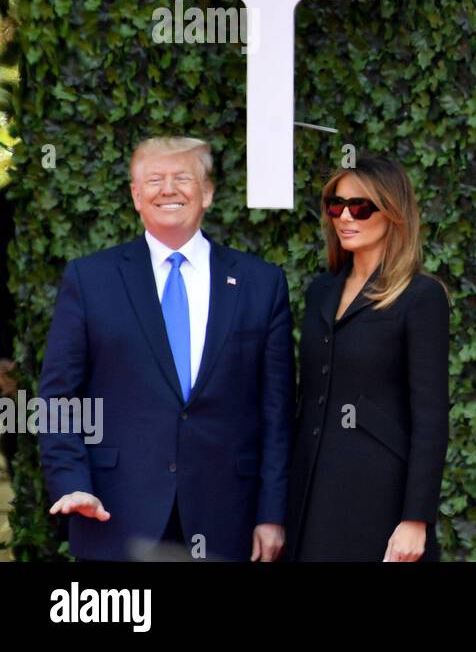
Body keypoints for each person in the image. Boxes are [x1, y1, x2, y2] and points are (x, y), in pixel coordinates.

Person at [37, 137, 294, 561]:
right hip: (114, 513)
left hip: (228, 518)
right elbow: (57, 400)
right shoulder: (90, 279)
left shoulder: (261, 283)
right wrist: (71, 482)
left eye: (183, 178)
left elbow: (277, 412)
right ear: (136, 196)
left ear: (208, 193)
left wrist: (271, 513)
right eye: (154, 179)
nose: (168, 189)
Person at [286, 155, 450, 561]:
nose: (344, 216)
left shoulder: (420, 297)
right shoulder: (321, 291)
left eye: (360, 206)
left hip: (378, 496)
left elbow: (430, 417)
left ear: (393, 213)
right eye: (335, 205)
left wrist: (416, 519)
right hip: (310, 491)